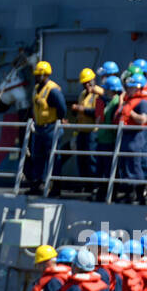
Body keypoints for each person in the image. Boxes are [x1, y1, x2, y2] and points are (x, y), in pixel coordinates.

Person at [28, 60, 69, 194]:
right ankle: (37, 184)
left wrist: (58, 120)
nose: (37, 77)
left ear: (46, 75)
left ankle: (56, 187)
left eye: (39, 75)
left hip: (51, 128)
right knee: (37, 156)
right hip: (39, 128)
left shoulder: (53, 90)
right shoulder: (36, 89)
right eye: (36, 75)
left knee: (53, 157)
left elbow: (62, 108)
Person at [116, 74, 147, 201]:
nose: (128, 89)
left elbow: (143, 119)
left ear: (138, 88)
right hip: (126, 137)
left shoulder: (143, 102)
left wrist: (130, 113)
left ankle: (139, 195)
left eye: (131, 87)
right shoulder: (128, 100)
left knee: (135, 167)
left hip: (135, 138)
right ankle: (129, 193)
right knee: (126, 167)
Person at [93, 76, 124, 195]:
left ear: (112, 89)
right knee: (100, 166)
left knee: (109, 167)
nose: (105, 91)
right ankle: (102, 189)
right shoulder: (108, 101)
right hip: (102, 138)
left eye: (107, 89)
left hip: (109, 140)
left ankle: (111, 191)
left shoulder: (116, 102)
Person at [70, 68, 102, 185]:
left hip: (92, 131)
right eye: (85, 83)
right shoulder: (82, 95)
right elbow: (78, 112)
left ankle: (94, 184)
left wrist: (82, 109)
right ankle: (84, 183)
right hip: (81, 131)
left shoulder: (98, 95)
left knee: (92, 159)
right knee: (81, 159)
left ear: (94, 80)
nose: (87, 85)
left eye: (89, 82)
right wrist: (75, 110)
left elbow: (97, 112)